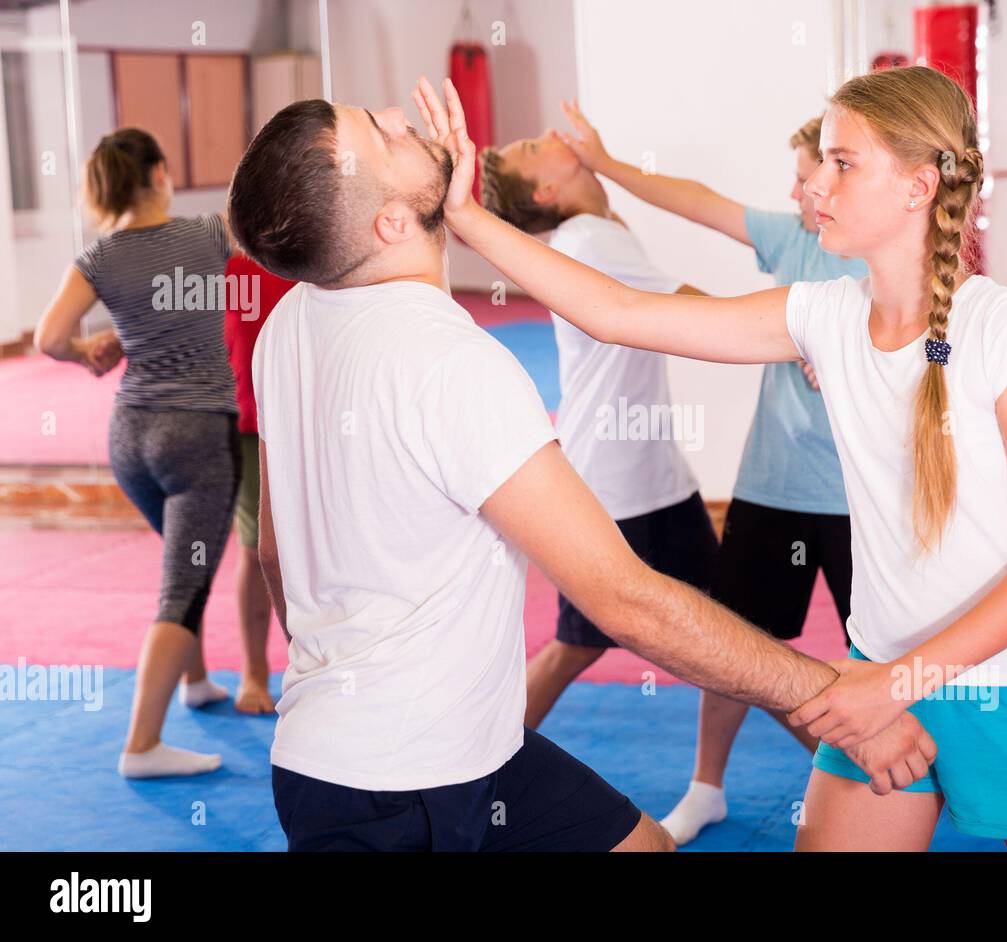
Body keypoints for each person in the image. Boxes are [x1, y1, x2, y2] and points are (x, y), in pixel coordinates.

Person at [418, 64, 1007, 851]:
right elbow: (619, 312)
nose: (814, 184)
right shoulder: (821, 314)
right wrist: (469, 218)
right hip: (883, 678)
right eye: (819, 159)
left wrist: (898, 682)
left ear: (919, 185)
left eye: (842, 163)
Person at [227, 98, 934, 852]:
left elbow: (275, 552)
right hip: (401, 784)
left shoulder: (291, 322)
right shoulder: (450, 363)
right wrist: (832, 694)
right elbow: (628, 602)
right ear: (393, 224)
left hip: (436, 751)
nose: (404, 115)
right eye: (383, 131)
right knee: (603, 628)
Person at [555, 106, 865, 844]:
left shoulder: (877, 262)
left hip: (861, 498)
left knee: (877, 652)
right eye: (798, 175)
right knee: (738, 640)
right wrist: (608, 163)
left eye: (811, 176)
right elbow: (693, 201)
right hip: (770, 487)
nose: (797, 192)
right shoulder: (791, 237)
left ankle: (892, 776)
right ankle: (706, 785)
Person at [477, 131, 720, 732]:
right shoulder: (588, 240)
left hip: (651, 476)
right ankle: (477, 762)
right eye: (532, 146)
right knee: (579, 644)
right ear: (547, 189)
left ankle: (719, 783)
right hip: (613, 487)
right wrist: (800, 335)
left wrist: (600, 157)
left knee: (730, 629)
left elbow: (608, 206)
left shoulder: (599, 230)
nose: (544, 135)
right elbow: (695, 313)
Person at [34, 128, 239, 778]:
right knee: (185, 580)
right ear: (158, 174)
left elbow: (47, 337)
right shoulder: (207, 235)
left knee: (187, 561)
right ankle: (143, 745)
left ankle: (195, 679)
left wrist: (91, 350)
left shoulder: (98, 255)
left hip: (130, 437)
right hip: (198, 434)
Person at [223, 254, 297, 713]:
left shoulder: (313, 255)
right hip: (251, 423)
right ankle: (254, 670)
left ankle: (319, 664)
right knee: (256, 548)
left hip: (318, 417)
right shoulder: (224, 265)